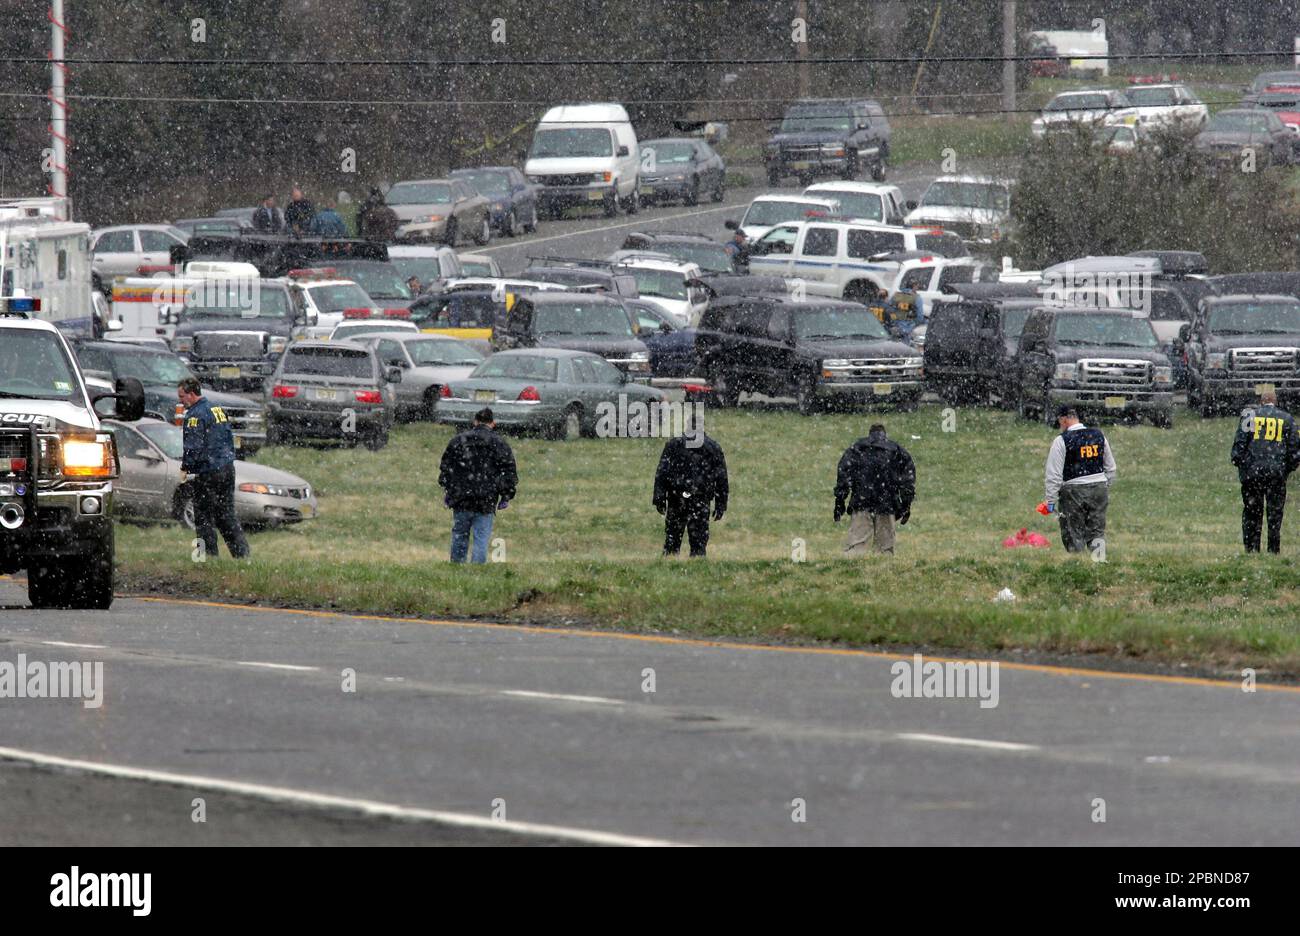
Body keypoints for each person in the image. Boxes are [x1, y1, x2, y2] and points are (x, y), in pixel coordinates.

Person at [178, 377, 249, 559]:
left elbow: (193, 447)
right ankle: (242, 555)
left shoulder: (194, 415)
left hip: (207, 471)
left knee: (202, 518)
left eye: (182, 396)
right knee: (226, 514)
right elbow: (227, 437)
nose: (180, 400)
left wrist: (186, 467)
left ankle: (205, 557)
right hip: (226, 468)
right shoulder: (216, 409)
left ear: (192, 394)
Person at [438, 408, 518, 564]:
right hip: (486, 499)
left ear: (475, 422)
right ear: (493, 423)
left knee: (460, 534)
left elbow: (446, 468)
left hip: (461, 497)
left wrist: (449, 490)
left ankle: (457, 567)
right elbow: (508, 471)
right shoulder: (499, 443)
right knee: (481, 537)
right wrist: (506, 495)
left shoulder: (458, 441)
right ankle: (478, 569)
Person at [1231, 390, 1300, 553]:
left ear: (1261, 402)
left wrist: (1240, 463)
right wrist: (1286, 469)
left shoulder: (1250, 416)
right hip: (1276, 473)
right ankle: (1273, 549)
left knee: (1252, 512)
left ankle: (1252, 549)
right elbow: (1295, 449)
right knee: (1275, 513)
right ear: (1275, 403)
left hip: (1252, 472)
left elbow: (1239, 444)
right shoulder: (1287, 419)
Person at [1043, 405, 1116, 554]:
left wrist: (1050, 501)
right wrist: (1103, 485)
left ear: (1064, 420)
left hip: (1073, 490)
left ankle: (1077, 565)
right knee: (1097, 531)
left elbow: (1054, 475)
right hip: (1099, 489)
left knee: (1073, 532)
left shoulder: (1061, 440)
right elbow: (1111, 467)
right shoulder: (1098, 435)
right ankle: (1099, 562)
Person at [834, 423, 915, 555]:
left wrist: (840, 501)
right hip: (887, 503)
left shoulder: (857, 449)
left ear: (869, 434)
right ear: (885, 435)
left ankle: (852, 572)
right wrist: (906, 505)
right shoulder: (897, 451)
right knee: (885, 549)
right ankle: (882, 572)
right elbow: (908, 481)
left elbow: (843, 475)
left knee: (856, 546)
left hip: (861, 501)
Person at [653, 417, 728, 557]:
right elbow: (721, 478)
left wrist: (659, 498)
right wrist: (721, 503)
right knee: (698, 543)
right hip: (701, 498)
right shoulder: (713, 447)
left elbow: (662, 473)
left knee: (672, 540)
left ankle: (670, 566)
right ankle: (697, 566)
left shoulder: (674, 445)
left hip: (677, 497)